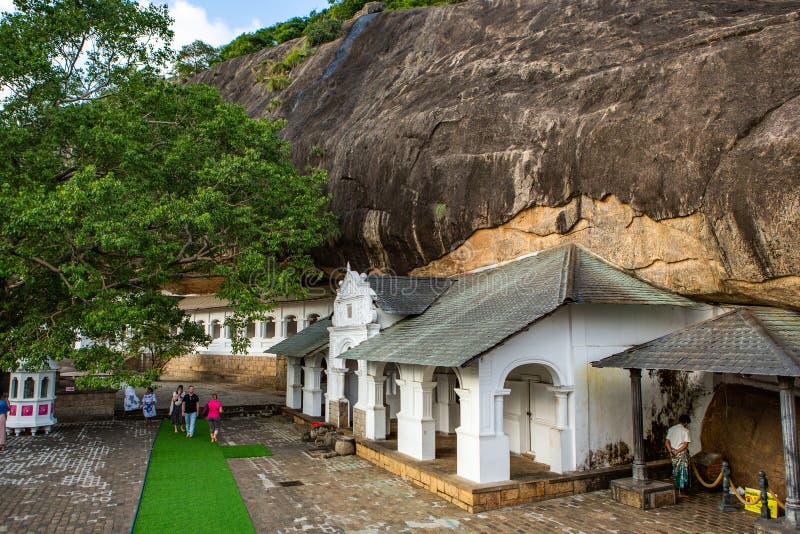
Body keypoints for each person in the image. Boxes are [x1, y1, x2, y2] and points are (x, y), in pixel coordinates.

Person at [666, 414, 692, 498]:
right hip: (681, 453)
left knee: (675, 471)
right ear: (686, 423)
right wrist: (677, 451)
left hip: (672, 453)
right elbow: (685, 445)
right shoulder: (685, 431)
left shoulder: (671, 429)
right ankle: (680, 492)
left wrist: (671, 451)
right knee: (682, 473)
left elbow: (667, 442)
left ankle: (676, 491)